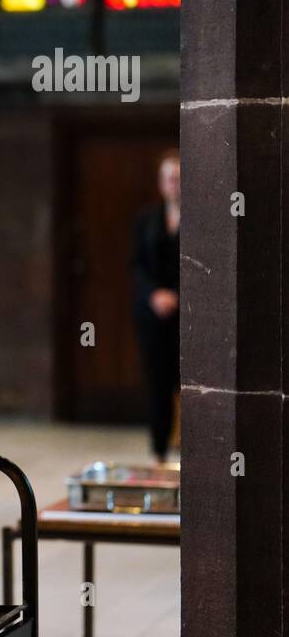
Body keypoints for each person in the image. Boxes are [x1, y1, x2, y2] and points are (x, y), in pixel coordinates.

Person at [130, 148, 181, 463]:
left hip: (185, 312)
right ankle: (158, 451)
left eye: (179, 178)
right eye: (169, 178)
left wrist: (177, 295)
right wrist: (154, 295)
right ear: (161, 183)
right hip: (152, 312)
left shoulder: (203, 219)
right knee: (157, 381)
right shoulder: (146, 219)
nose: (174, 184)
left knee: (186, 381)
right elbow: (136, 265)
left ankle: (188, 446)